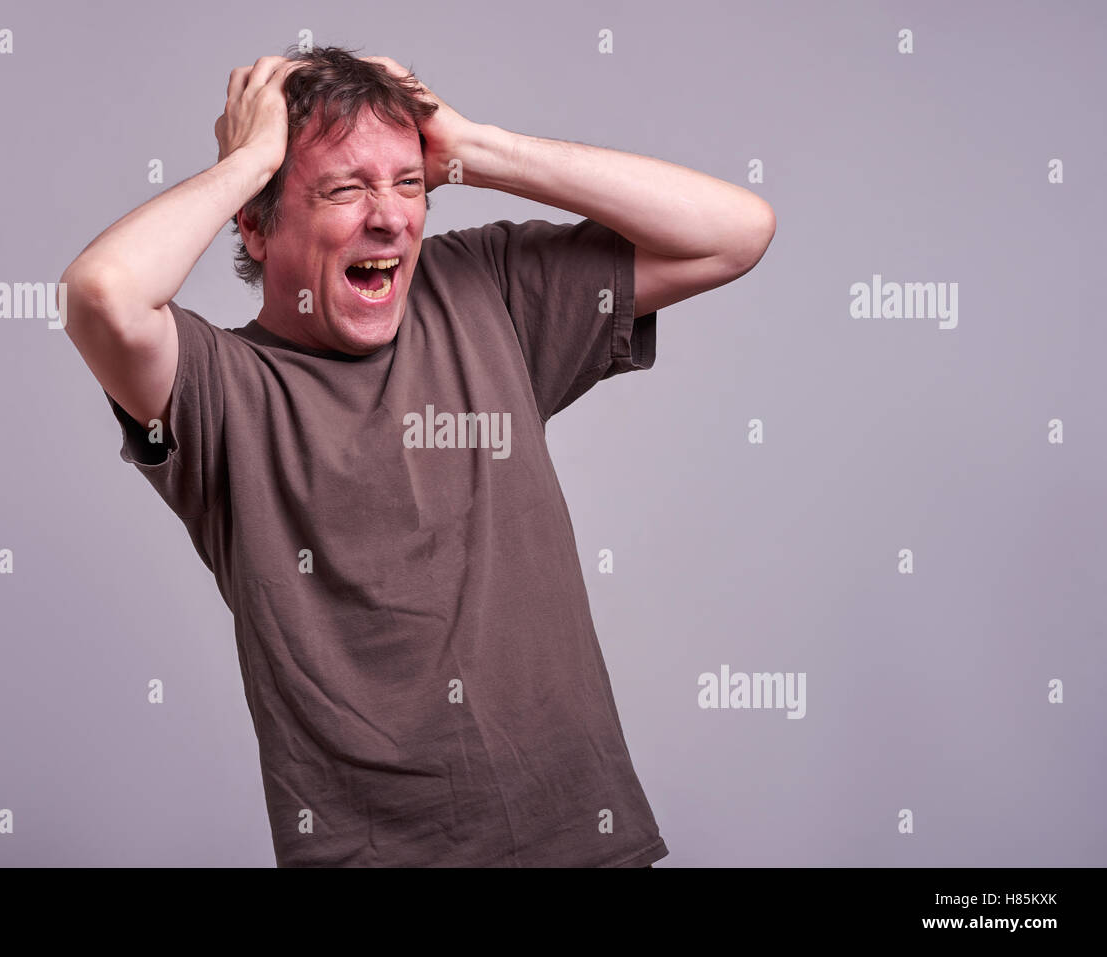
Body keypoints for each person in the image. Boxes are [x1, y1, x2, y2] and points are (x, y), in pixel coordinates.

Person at [59, 45, 775, 867]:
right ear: (256, 225)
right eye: (345, 187)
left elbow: (734, 233)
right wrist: (254, 157)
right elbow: (101, 295)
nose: (392, 216)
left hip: (585, 848)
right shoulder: (219, 391)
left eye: (409, 183)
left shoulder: (485, 291)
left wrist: (478, 148)